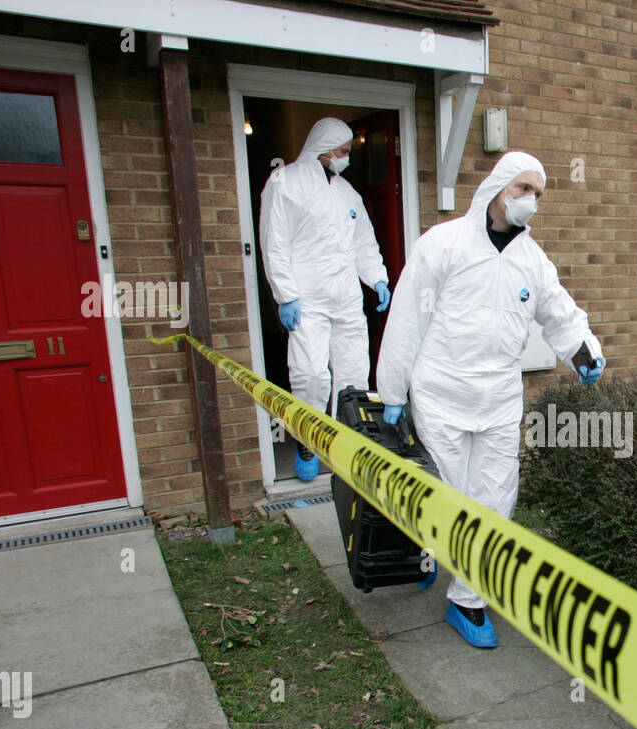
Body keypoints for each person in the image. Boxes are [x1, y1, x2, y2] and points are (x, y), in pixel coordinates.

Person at [377, 151, 605, 649]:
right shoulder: (444, 245)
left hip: (500, 398)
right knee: (448, 497)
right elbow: (407, 320)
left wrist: (584, 351)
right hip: (442, 393)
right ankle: (428, 554)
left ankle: (467, 599)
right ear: (500, 187)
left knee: (496, 501)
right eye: (524, 188)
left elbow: (560, 312)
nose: (531, 201)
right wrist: (391, 390)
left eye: (538, 194)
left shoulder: (531, 260)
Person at [259, 117, 391, 481]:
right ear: (324, 147)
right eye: (344, 151)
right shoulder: (285, 182)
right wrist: (285, 295)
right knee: (311, 375)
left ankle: (349, 443)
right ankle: (307, 439)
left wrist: (377, 278)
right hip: (307, 300)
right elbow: (274, 242)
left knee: (353, 375)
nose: (347, 157)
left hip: (346, 298)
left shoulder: (348, 194)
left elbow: (363, 243)